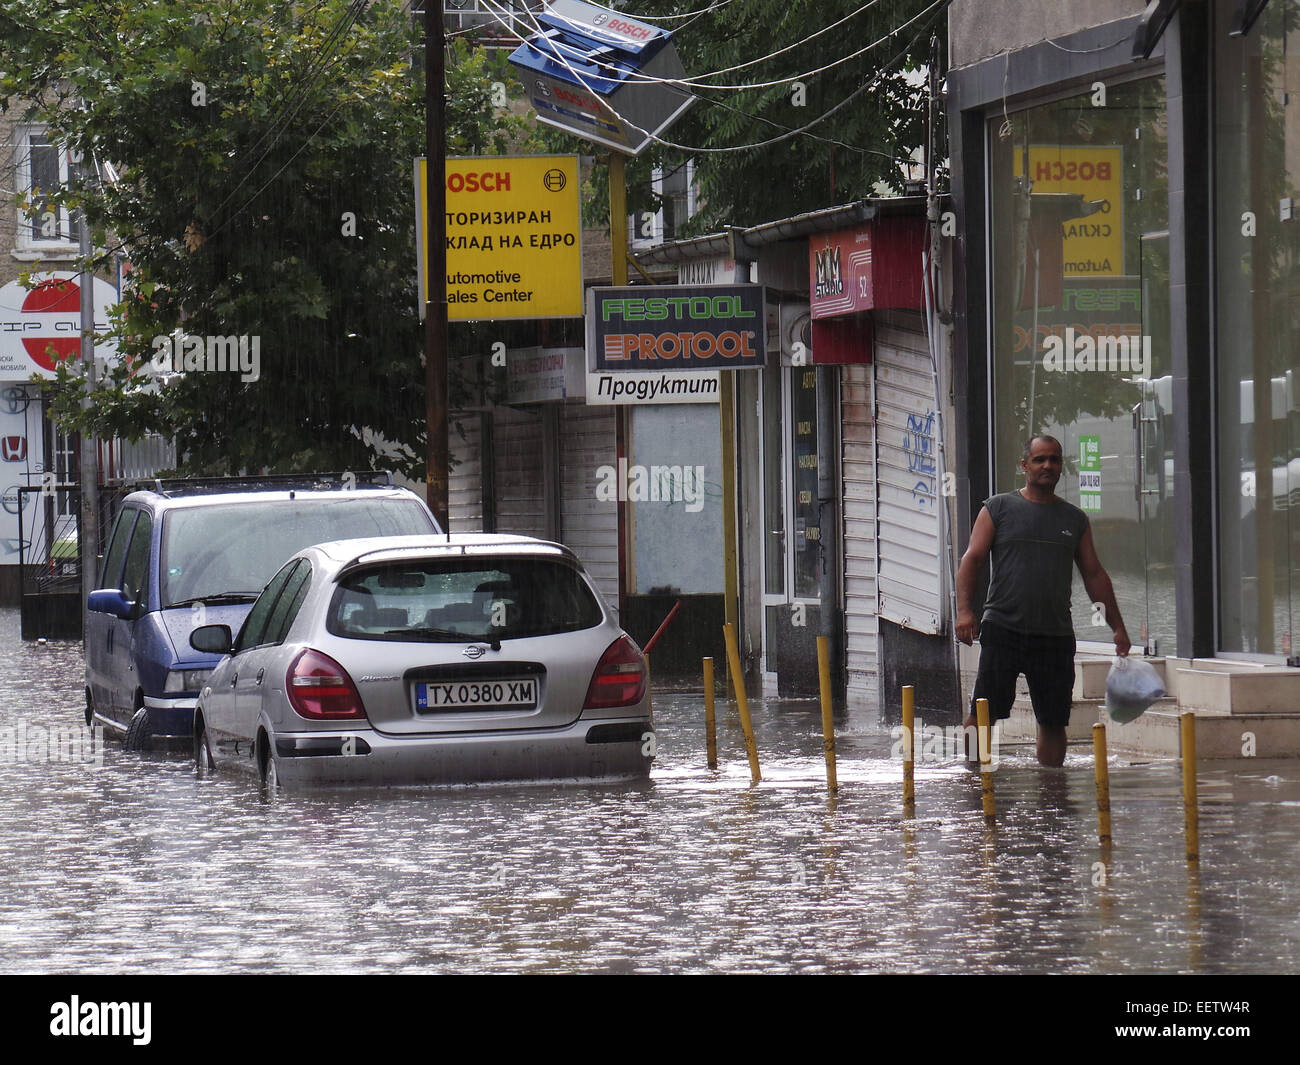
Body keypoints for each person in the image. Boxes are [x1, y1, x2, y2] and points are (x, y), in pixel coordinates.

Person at [956, 434, 1131, 767]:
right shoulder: (998, 508)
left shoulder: (1074, 520)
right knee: (982, 713)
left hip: (1054, 635)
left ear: (1061, 467)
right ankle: (972, 781)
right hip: (1003, 628)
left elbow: (1094, 575)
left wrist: (1117, 627)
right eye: (1039, 460)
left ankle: (1052, 796)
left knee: (1053, 722)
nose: (1047, 466)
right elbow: (972, 559)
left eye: (1054, 460)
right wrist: (965, 612)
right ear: (1025, 466)